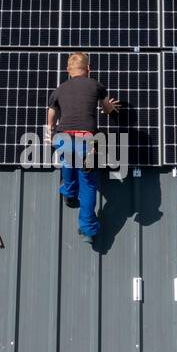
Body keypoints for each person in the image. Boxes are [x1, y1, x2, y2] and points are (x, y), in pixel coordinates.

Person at [45, 53, 119, 243]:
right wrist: (108, 108)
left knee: (67, 165)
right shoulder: (95, 85)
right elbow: (105, 107)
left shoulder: (60, 89)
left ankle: (69, 193)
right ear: (89, 69)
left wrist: (50, 128)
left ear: (68, 71)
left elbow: (52, 111)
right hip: (86, 138)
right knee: (88, 183)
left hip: (63, 136)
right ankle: (88, 230)